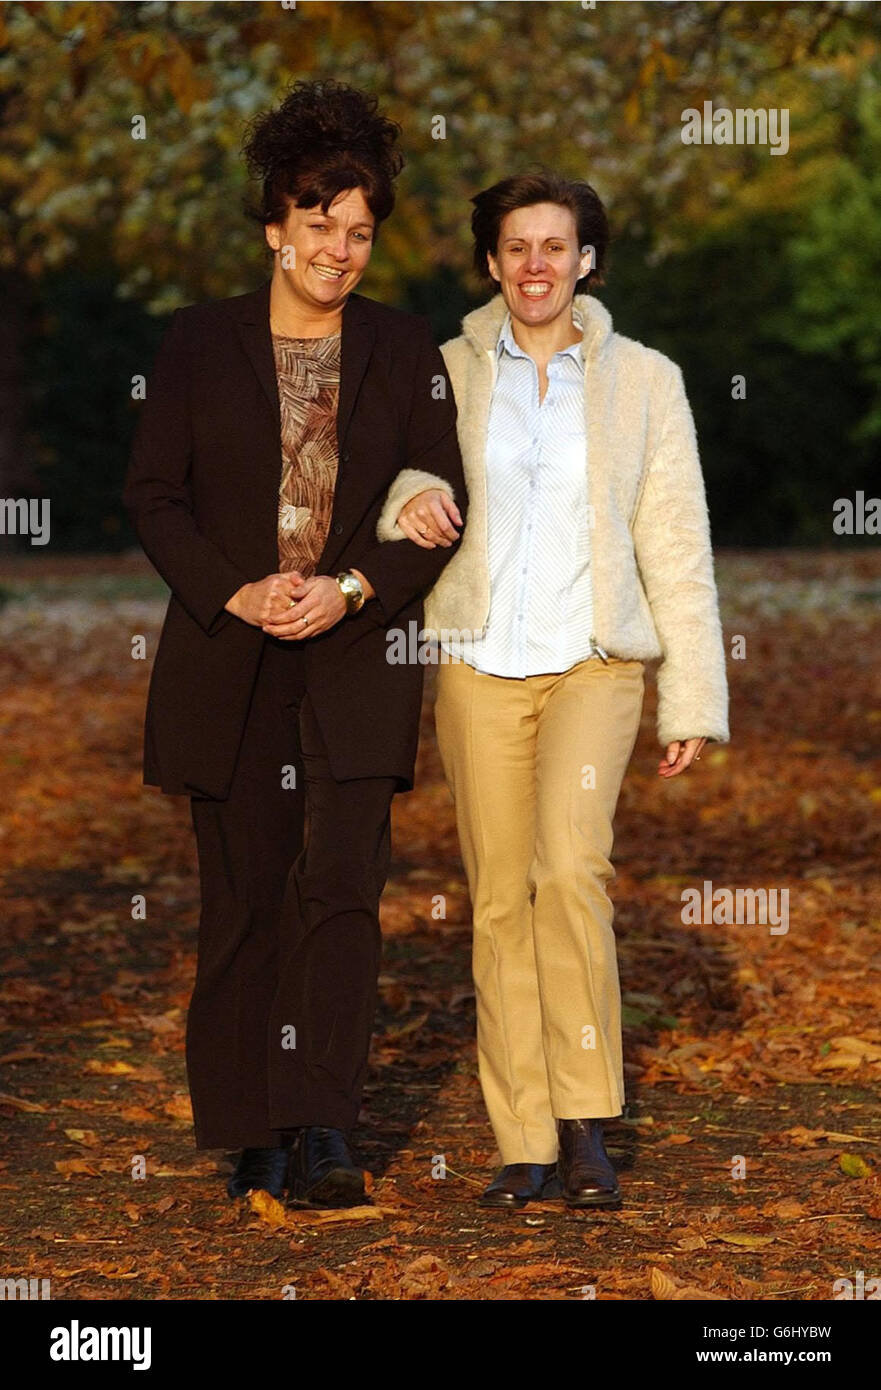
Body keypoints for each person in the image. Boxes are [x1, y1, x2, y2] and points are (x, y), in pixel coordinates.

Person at [123, 80, 466, 1208]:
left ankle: (323, 1122)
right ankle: (247, 1127)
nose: (339, 248)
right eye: (318, 223)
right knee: (244, 899)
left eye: (359, 230)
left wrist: (358, 583)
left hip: (355, 662)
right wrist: (237, 592)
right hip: (229, 660)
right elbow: (153, 495)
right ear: (274, 225)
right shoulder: (193, 343)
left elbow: (439, 492)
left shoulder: (405, 344)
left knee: (339, 894)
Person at [376, 171, 729, 1210]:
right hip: (479, 658)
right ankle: (519, 1138)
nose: (535, 264)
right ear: (491, 262)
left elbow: (674, 540)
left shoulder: (642, 381)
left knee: (568, 872)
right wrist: (416, 500)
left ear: (586, 261)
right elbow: (394, 477)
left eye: (554, 246)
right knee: (496, 898)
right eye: (515, 246)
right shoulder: (442, 370)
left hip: (592, 659)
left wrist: (693, 699)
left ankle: (584, 1124)